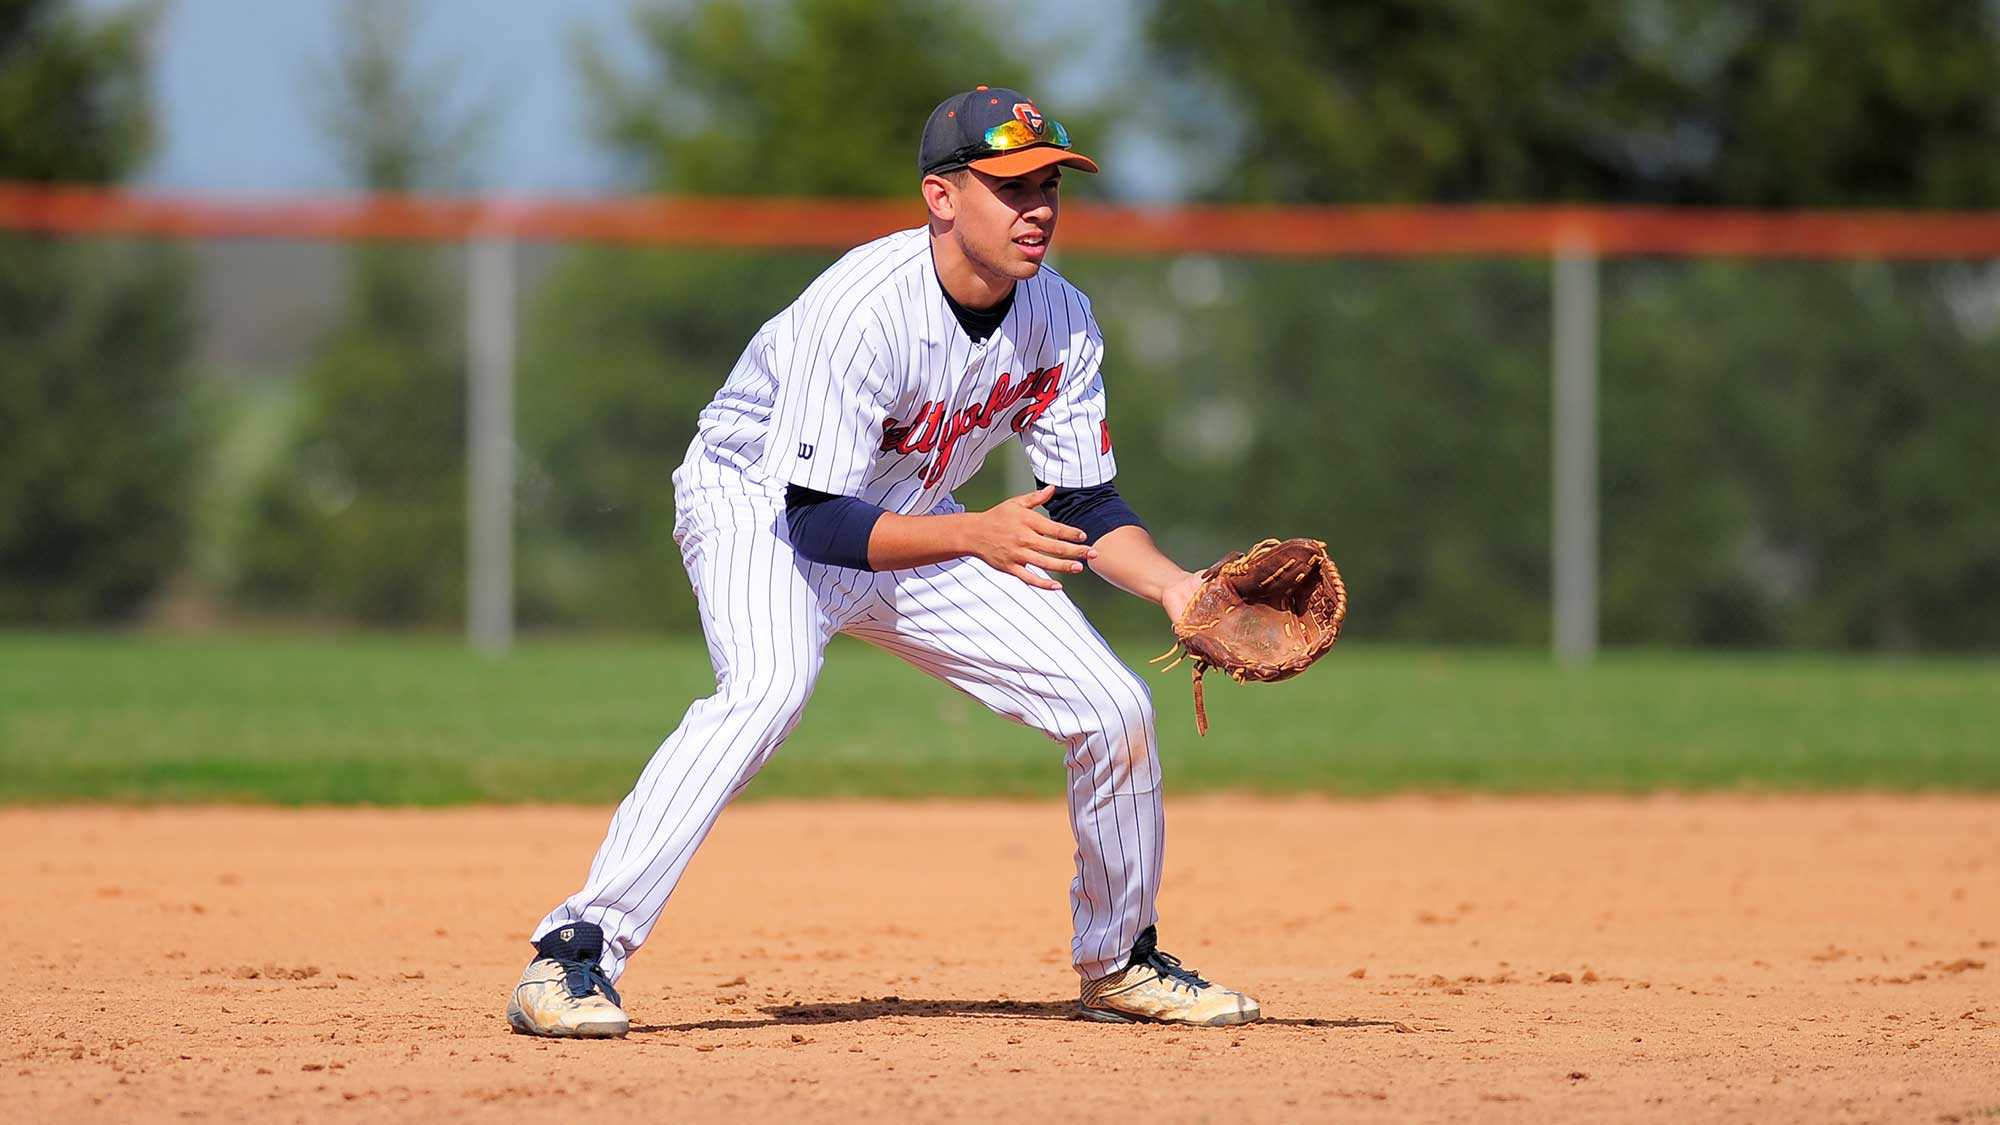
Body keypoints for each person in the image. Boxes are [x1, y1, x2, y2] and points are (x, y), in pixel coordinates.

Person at [506, 87, 1260, 1038]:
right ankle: (573, 952)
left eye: (1051, 187)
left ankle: (1119, 960)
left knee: (1113, 709)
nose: (1039, 209)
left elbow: (1084, 502)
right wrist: (976, 534)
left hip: (917, 518)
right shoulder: (863, 308)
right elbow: (818, 522)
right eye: (1013, 185)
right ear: (941, 197)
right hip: (756, 504)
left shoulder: (1060, 318)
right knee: (770, 686)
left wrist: (1175, 586)